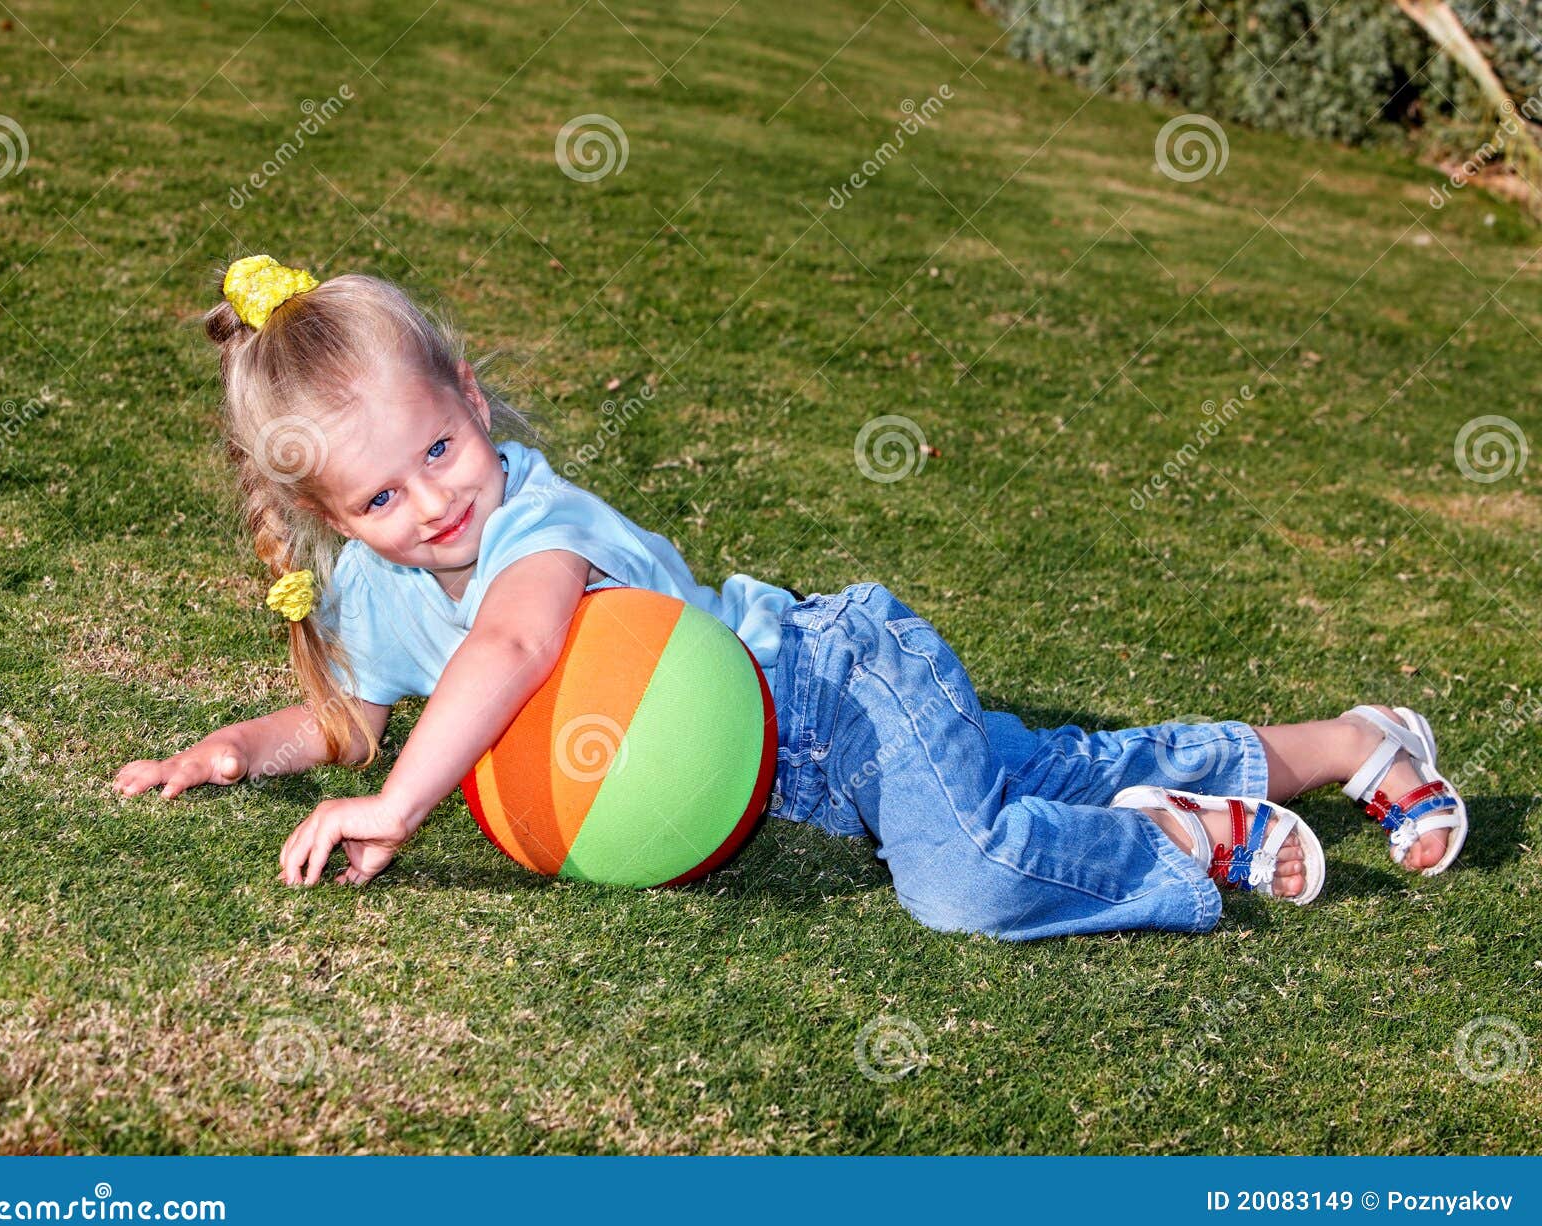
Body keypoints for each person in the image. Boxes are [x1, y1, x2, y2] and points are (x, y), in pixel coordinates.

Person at [111, 256, 1470, 942]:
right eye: (383, 500)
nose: (431, 504)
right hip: (804, 775)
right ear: (338, 521)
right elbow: (350, 714)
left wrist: (402, 807)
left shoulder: (541, 519)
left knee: (968, 879)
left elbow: (523, 644)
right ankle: (1355, 742)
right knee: (1063, 764)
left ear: (471, 399)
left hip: (839, 679)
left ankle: (1187, 849)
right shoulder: (395, 585)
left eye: (438, 451)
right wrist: (236, 750)